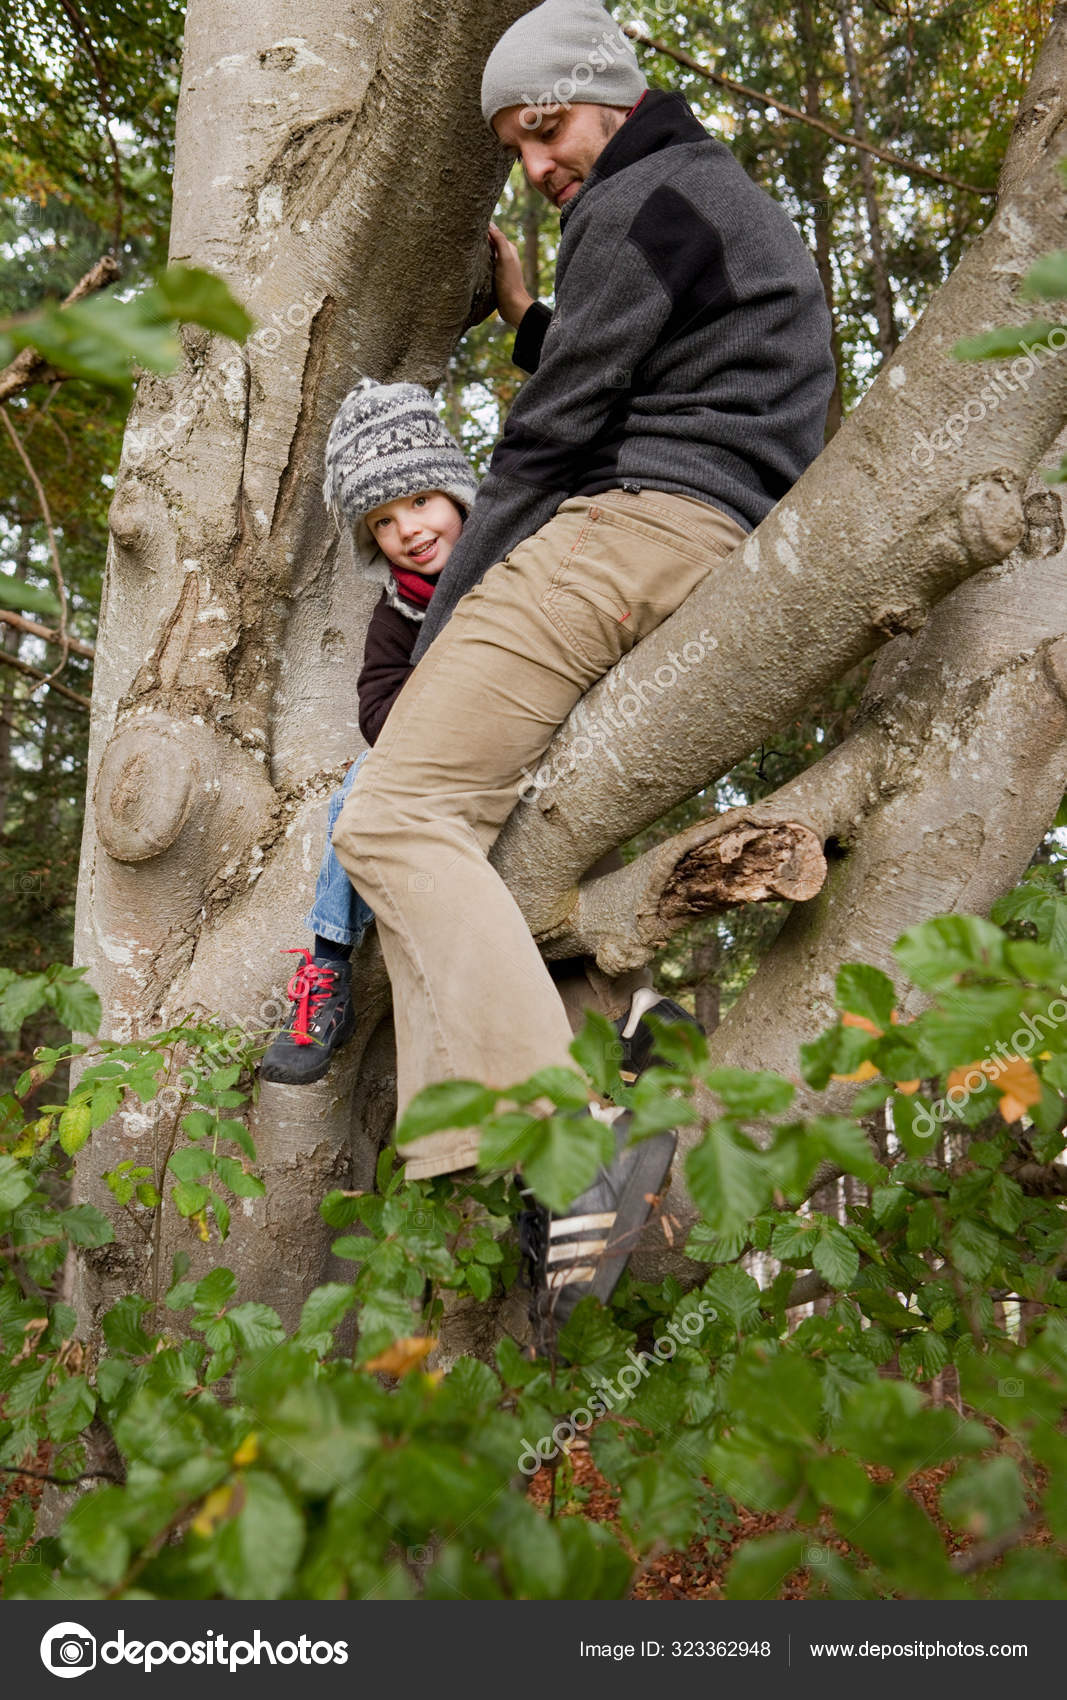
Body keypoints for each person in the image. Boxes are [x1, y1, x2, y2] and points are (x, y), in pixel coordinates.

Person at [329, 0, 837, 1327]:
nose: (539, 167)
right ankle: (529, 1159)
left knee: (392, 814)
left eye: (545, 131)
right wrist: (532, 317)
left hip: (628, 531)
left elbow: (543, 451)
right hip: (706, 525)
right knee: (480, 848)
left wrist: (444, 622)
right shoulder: (694, 197)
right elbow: (651, 363)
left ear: (605, 91)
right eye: (516, 147)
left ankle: (577, 1125)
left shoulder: (639, 200)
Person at [259, 380, 477, 1085]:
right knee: (355, 790)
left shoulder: (515, 560)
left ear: (455, 494)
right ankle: (326, 966)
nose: (408, 529)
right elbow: (377, 712)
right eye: (383, 521)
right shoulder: (395, 617)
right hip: (429, 759)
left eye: (419, 501)